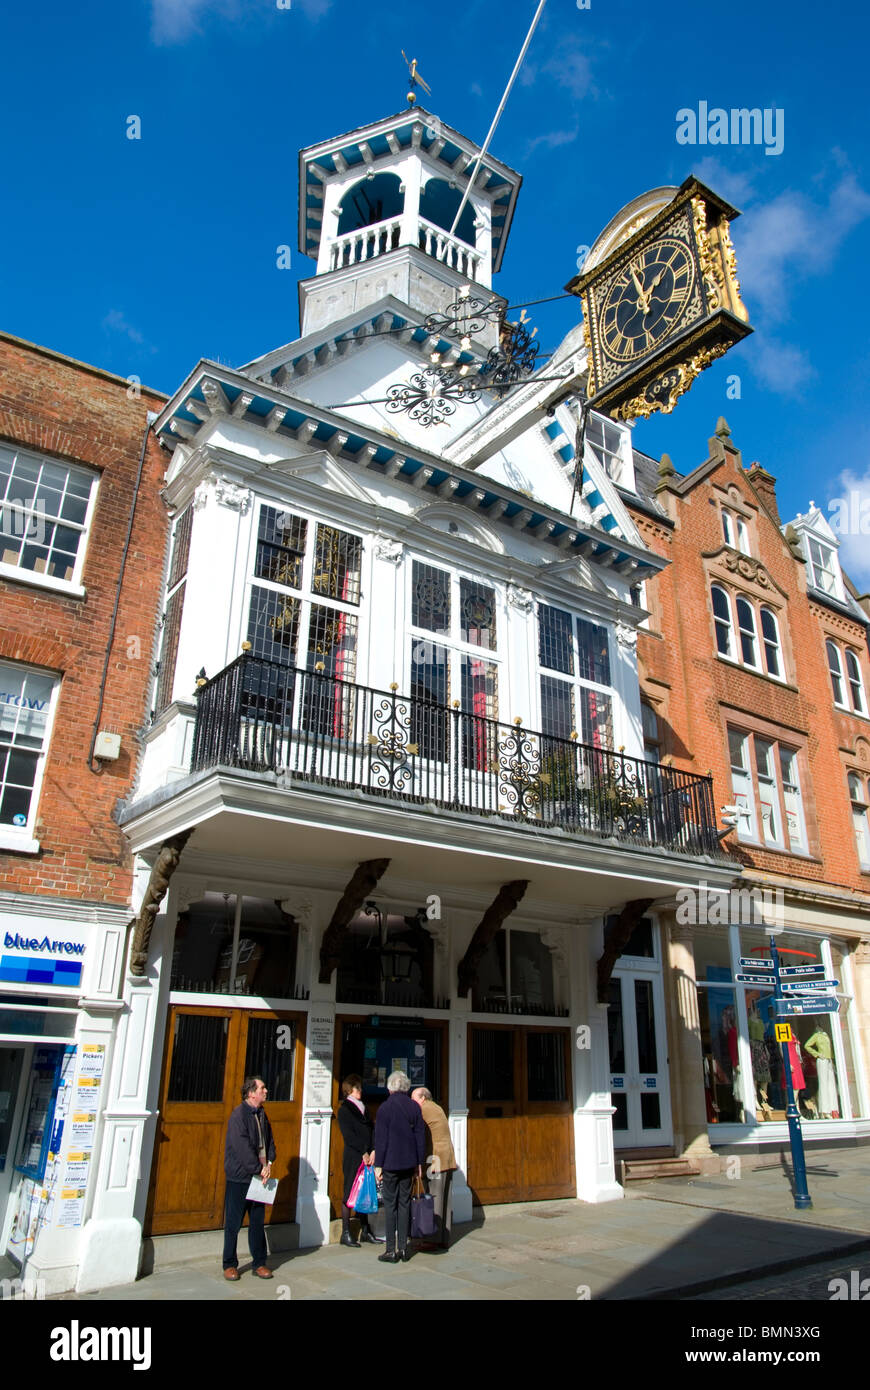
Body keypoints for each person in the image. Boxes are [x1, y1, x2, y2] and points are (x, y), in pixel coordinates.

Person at [222, 1075, 276, 1281]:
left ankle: (260, 1263)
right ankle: (229, 1264)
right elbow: (241, 1148)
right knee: (233, 1223)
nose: (265, 1091)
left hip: (260, 1177)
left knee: (257, 1222)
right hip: (240, 1178)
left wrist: (269, 1162)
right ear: (251, 1092)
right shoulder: (238, 1116)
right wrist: (257, 1168)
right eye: (262, 1088)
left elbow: (269, 1140)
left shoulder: (262, 1113)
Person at [373, 1070, 425, 1263]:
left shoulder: (385, 1108)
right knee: (404, 1204)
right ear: (406, 1087)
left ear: (390, 1087)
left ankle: (390, 1250)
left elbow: (381, 1140)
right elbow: (420, 1137)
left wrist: (379, 1165)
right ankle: (403, 1248)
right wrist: (419, 1163)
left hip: (390, 1164)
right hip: (409, 1163)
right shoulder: (414, 1107)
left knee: (390, 1205)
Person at [336, 1074, 383, 1246]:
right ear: (350, 1090)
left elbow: (371, 1130)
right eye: (357, 1088)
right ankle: (346, 1232)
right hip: (353, 1156)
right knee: (349, 1191)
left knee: (365, 1192)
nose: (360, 1091)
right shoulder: (344, 1110)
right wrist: (363, 1151)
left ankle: (366, 1230)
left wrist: (372, 1150)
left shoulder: (365, 1109)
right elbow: (349, 1135)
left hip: (367, 1156)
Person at [411, 1086, 457, 1250]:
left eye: (414, 1098)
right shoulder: (436, 1107)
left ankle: (432, 1238)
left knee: (434, 1198)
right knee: (446, 1199)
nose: (412, 1102)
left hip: (435, 1158)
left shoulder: (424, 1109)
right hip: (447, 1157)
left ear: (423, 1098)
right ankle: (444, 1236)